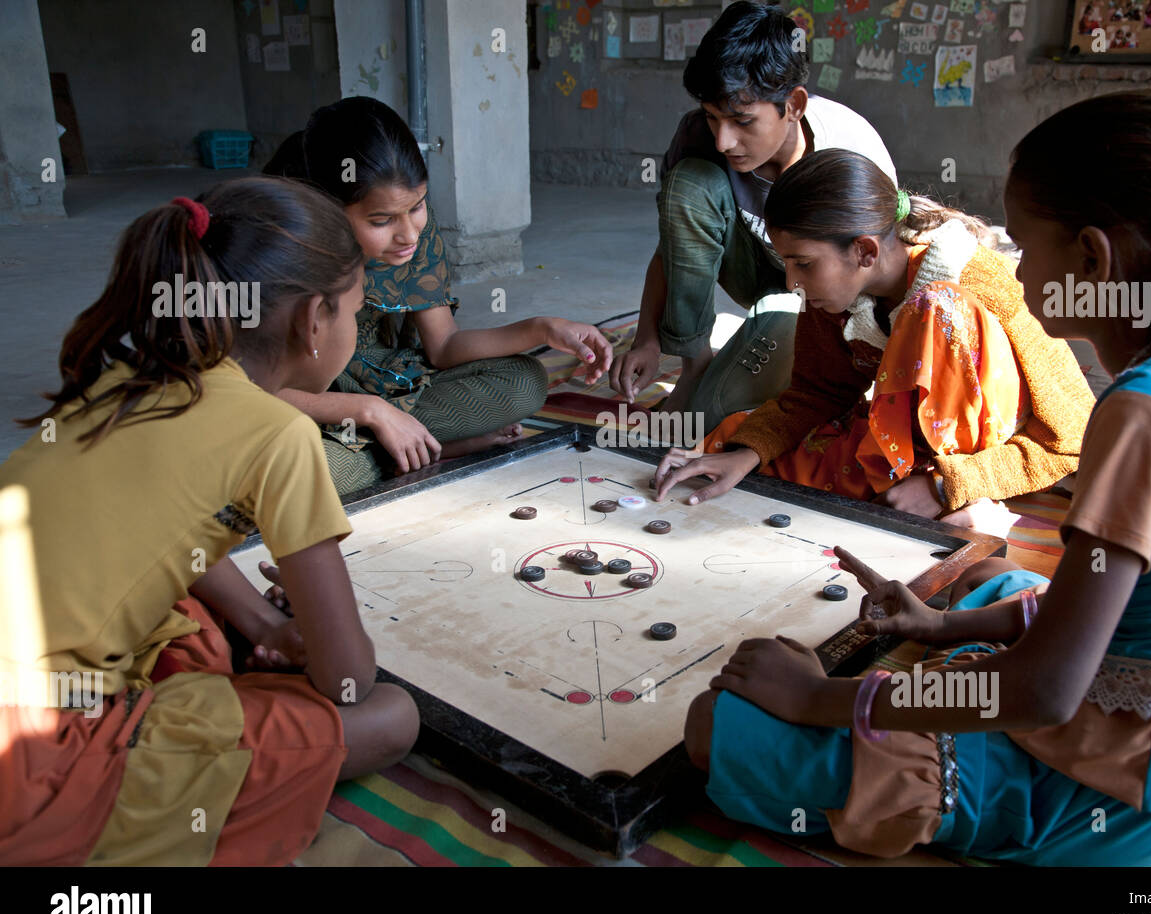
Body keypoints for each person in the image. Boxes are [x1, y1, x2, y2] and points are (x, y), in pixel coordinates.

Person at [681, 90, 1151, 865]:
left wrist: (821, 699)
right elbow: (1137, 609)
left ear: (1092, 259)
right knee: (989, 584)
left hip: (1135, 790)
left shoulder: (1144, 411)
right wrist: (943, 631)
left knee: (717, 728)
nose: (1014, 263)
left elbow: (1044, 694)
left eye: (1027, 245)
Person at [0, 178, 419, 865]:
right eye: (355, 309)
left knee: (195, 627)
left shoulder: (135, 372)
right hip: (30, 762)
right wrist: (315, 644)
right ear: (314, 321)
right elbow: (349, 680)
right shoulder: (279, 434)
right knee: (390, 719)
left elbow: (173, 534)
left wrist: (263, 625)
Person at [654, 149, 1093, 533]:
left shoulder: (979, 280)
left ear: (865, 251)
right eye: (787, 263)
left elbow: (1070, 440)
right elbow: (815, 394)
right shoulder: (832, 296)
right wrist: (747, 454)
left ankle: (954, 498)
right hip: (900, 439)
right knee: (742, 459)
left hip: (978, 459)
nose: (792, 284)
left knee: (936, 306)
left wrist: (944, 486)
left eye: (803, 264)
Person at [265, 97, 613, 495]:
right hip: (312, 402)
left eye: (417, 207)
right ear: (327, 209)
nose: (409, 234)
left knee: (524, 382)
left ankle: (403, 448)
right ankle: (418, 449)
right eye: (381, 221)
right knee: (309, 469)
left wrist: (543, 328)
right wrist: (368, 411)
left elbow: (444, 346)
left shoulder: (411, 238)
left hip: (391, 380)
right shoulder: (282, 249)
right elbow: (250, 392)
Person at [609, 1, 897, 435]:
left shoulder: (849, 152)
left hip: (818, 296)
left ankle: (750, 362)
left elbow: (880, 275)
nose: (724, 140)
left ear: (794, 104)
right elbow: (674, 245)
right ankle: (694, 365)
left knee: (715, 413)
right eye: (712, 117)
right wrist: (648, 339)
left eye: (742, 121)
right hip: (751, 273)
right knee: (690, 183)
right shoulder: (697, 140)